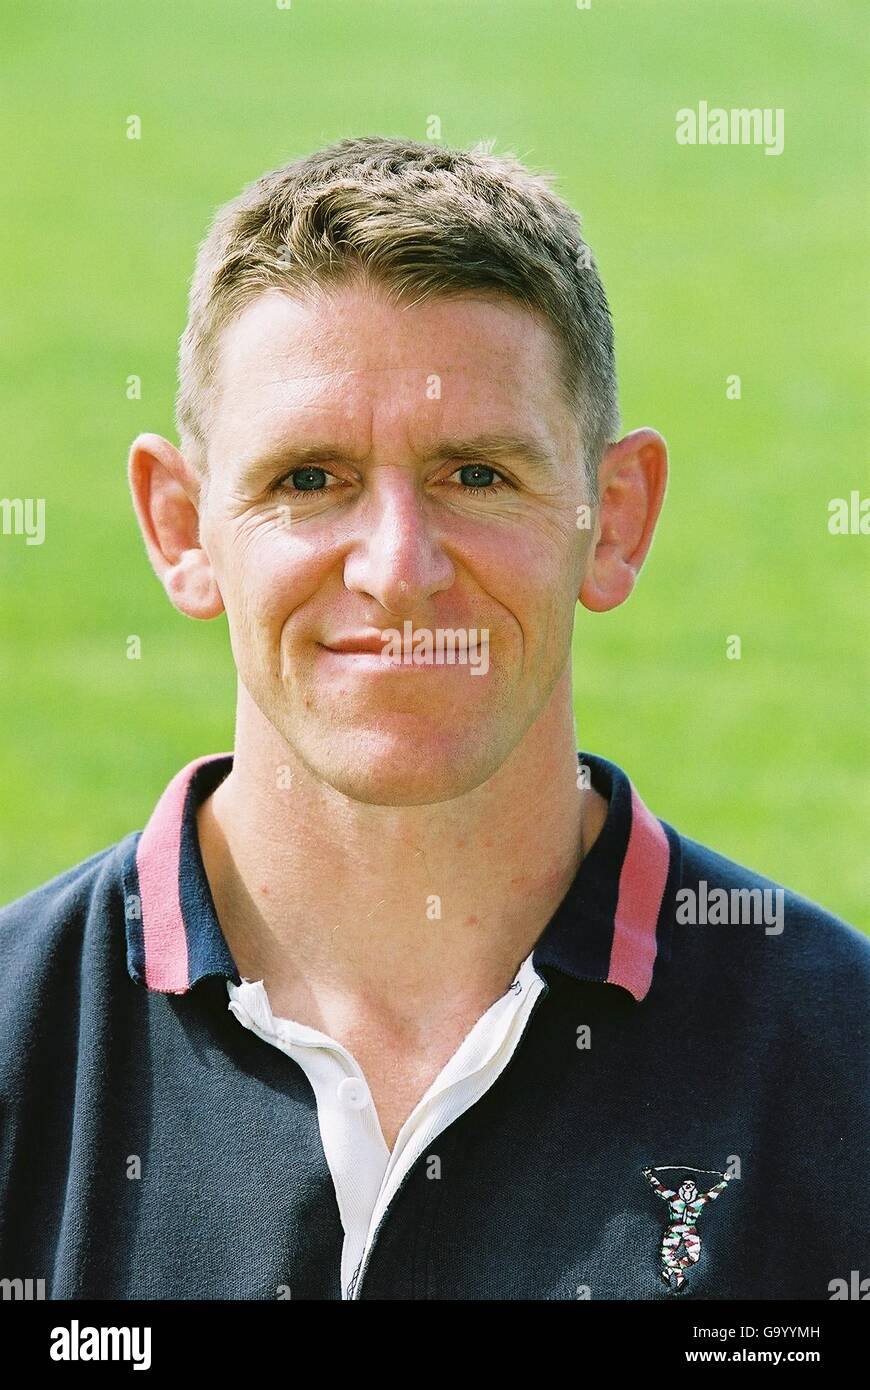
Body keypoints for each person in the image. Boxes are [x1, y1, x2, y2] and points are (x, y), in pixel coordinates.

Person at [0, 136, 867, 1301]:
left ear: (613, 520)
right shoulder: (19, 1041)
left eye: (477, 475)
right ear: (180, 527)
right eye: (309, 478)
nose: (399, 570)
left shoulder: (842, 1062)